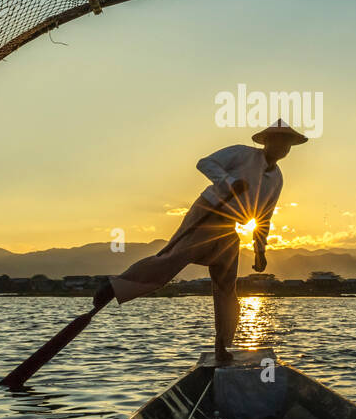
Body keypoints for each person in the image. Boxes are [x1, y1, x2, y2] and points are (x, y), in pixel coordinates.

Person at [90, 118, 308, 362]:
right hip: (208, 212)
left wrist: (260, 250)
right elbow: (205, 163)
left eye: (287, 144)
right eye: (279, 141)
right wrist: (229, 183)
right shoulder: (242, 154)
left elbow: (264, 216)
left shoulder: (277, 178)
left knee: (227, 286)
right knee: (170, 261)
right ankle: (114, 286)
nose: (283, 147)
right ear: (267, 141)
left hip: (229, 228)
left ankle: (222, 347)